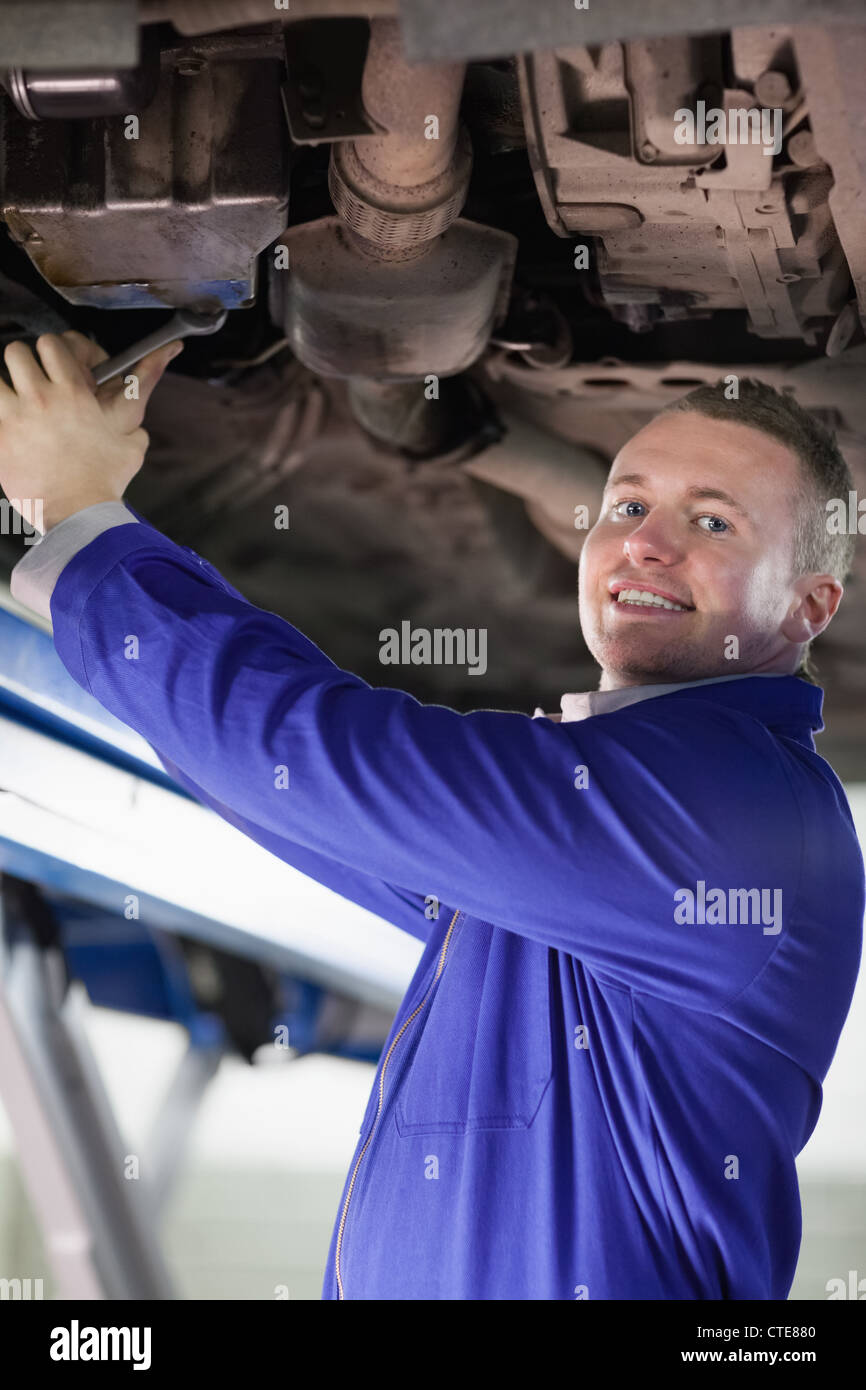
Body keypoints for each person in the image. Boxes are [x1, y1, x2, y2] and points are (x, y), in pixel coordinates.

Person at [2, 331, 863, 1300]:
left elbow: (323, 763)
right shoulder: (601, 850)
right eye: (626, 503)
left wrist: (83, 524)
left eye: (712, 522)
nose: (644, 542)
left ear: (805, 609)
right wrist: (90, 545)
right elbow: (311, 798)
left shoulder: (731, 807)